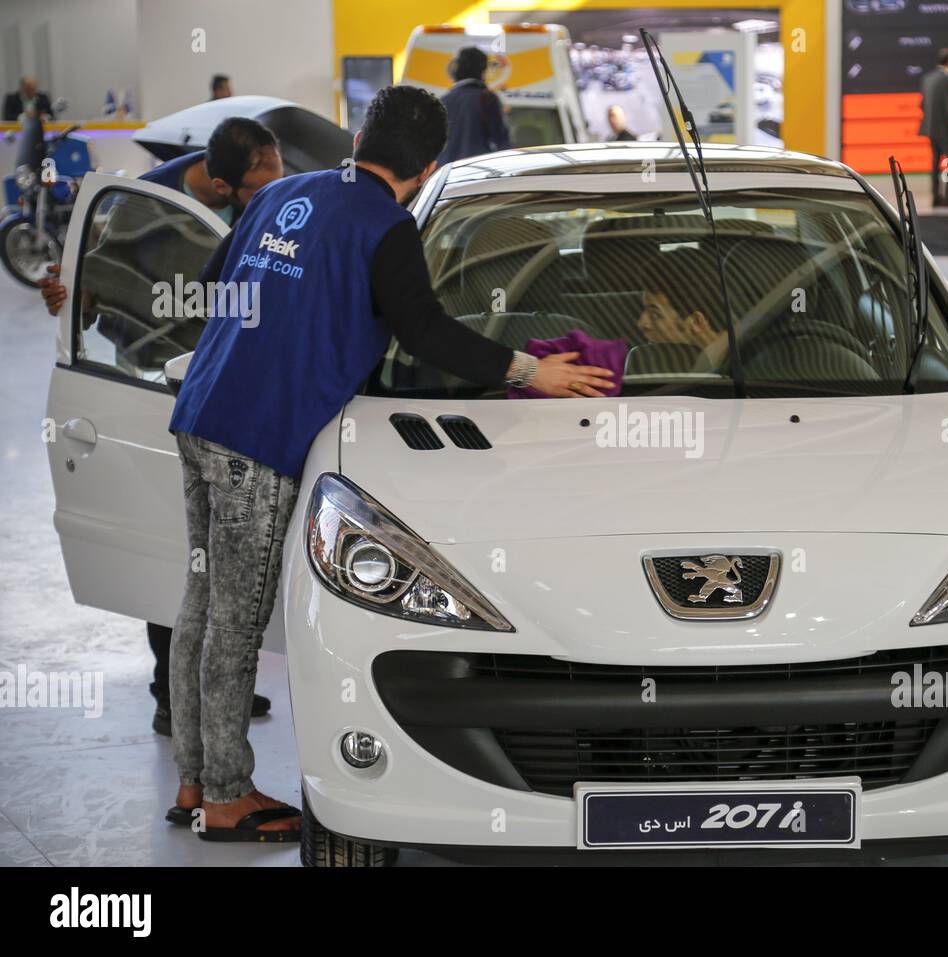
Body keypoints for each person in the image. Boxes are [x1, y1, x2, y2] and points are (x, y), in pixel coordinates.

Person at [164, 84, 614, 840]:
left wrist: (289, 318)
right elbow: (428, 331)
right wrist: (530, 371)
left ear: (360, 136)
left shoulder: (283, 195)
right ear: (430, 162)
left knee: (201, 605)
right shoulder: (386, 227)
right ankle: (227, 796)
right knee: (236, 622)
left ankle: (192, 779)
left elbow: (213, 289)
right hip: (257, 440)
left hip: (200, 414)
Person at [38, 117, 285, 736]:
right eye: (259, 187)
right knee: (175, 552)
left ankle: (219, 684)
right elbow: (97, 279)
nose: (271, 195)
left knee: (223, 548)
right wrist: (66, 292)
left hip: (225, 389)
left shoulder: (249, 200)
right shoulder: (145, 206)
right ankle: (171, 695)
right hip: (155, 388)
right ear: (223, 184)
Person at [437, 46, 511, 164]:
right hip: (477, 171)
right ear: (482, 70)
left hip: (445, 173)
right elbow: (502, 143)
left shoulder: (443, 100)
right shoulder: (488, 99)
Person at [918, 49, 948, 207]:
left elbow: (922, 104)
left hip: (930, 128)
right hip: (944, 129)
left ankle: (935, 195)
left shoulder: (927, 78)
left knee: (935, 162)